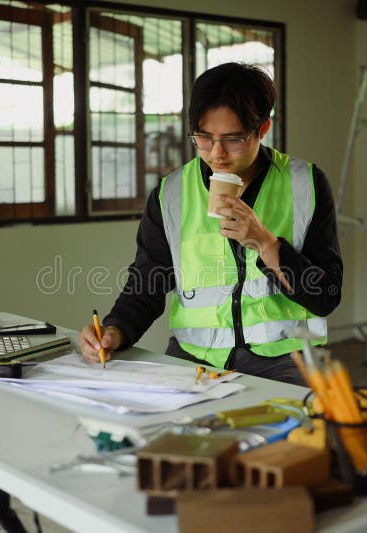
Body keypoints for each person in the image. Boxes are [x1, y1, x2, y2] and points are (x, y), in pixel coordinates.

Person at [79, 62, 342, 385]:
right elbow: (147, 284)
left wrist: (265, 243)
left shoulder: (306, 185)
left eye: (233, 139)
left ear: (262, 129)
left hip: (286, 360)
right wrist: (114, 330)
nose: (216, 153)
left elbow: (327, 294)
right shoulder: (171, 194)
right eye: (204, 138)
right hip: (193, 356)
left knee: (295, 430)